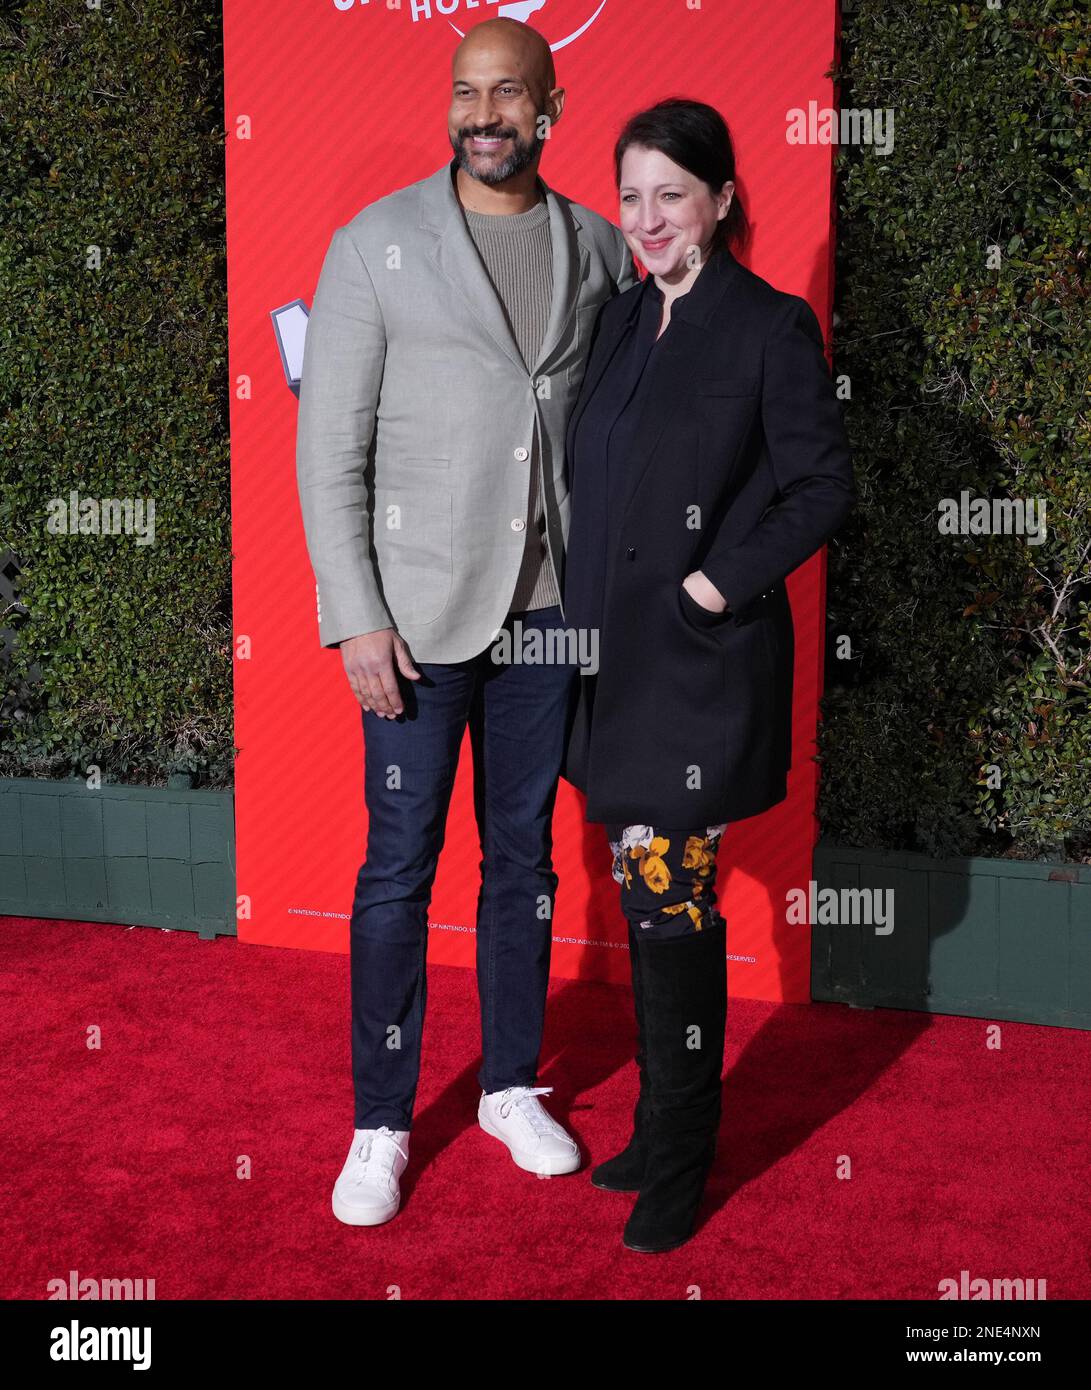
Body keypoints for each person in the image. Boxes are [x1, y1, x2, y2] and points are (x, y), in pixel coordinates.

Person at [295, 18, 637, 1226]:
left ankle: (507, 1085)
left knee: (526, 865)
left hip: (548, 621)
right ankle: (380, 1122)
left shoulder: (598, 250)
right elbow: (328, 448)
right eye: (465, 91)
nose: (483, 112)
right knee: (397, 872)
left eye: (507, 93)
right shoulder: (375, 246)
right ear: (449, 105)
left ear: (550, 105)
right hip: (416, 623)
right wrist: (357, 619)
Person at [562, 98, 856, 1253]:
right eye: (629, 196)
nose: (645, 219)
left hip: (692, 670)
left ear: (721, 201)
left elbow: (818, 488)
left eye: (668, 196)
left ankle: (681, 1156)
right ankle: (656, 1124)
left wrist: (712, 585)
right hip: (609, 671)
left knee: (672, 908)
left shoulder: (771, 327)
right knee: (651, 907)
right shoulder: (622, 321)